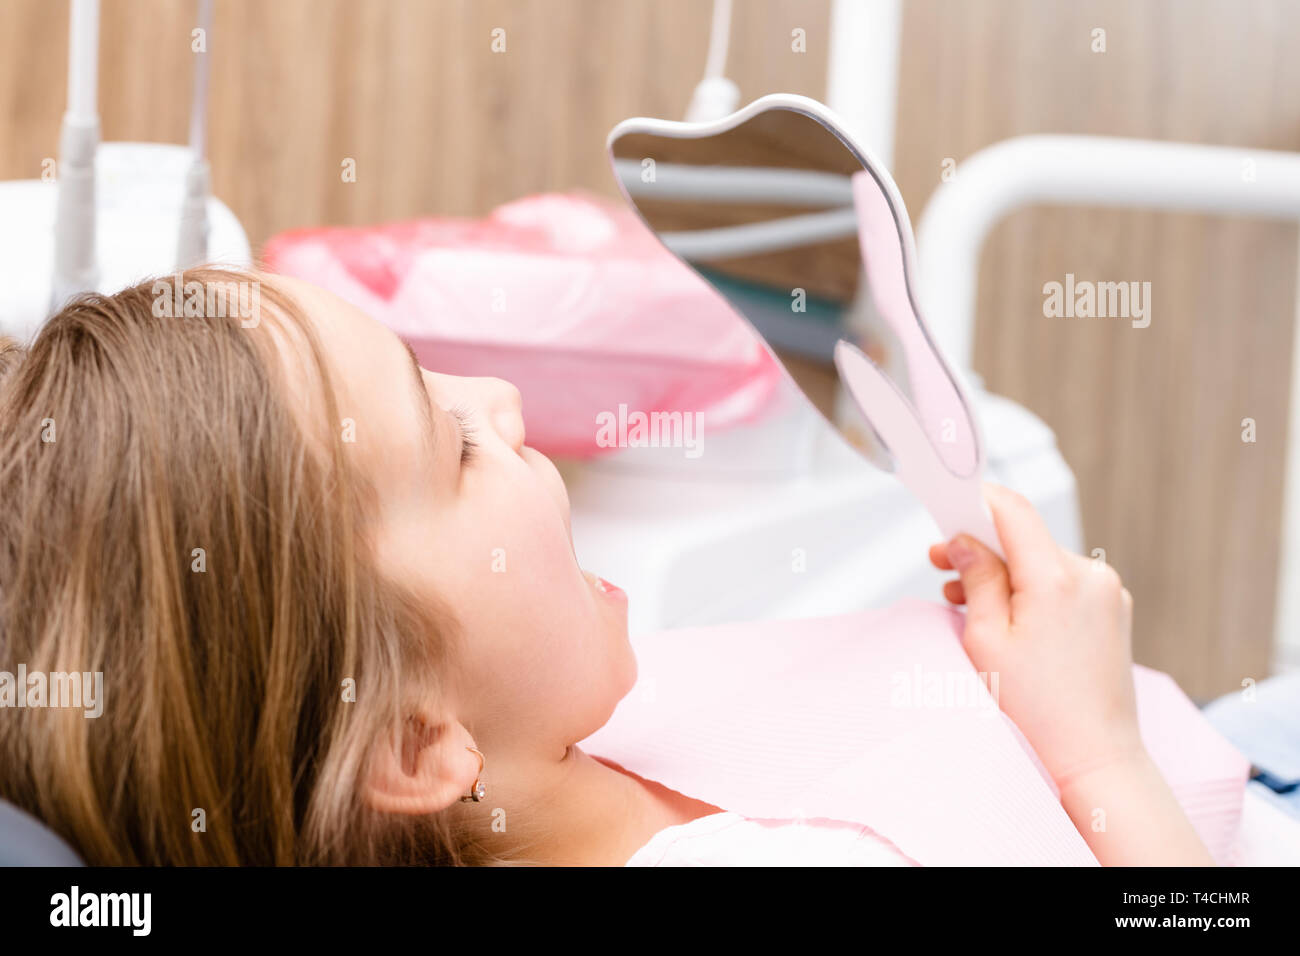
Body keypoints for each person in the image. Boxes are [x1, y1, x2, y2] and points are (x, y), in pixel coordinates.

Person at [0, 268, 1212, 865]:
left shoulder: (570, 720)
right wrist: (1094, 747)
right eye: (455, 446)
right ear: (417, 747)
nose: (508, 401)